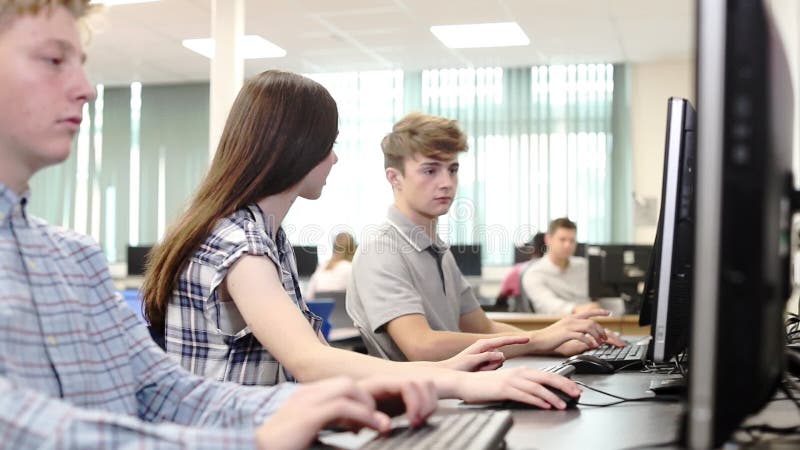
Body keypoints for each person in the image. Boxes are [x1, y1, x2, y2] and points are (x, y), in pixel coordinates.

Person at [0, 2, 439, 448]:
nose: (87, 89)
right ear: (298, 148)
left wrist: (322, 402)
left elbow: (164, 392)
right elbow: (20, 425)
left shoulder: (75, 259)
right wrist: (261, 436)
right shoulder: (238, 240)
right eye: (54, 60)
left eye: (80, 64)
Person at [142, 70, 581, 410]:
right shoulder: (241, 245)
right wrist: (459, 380)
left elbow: (306, 366)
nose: (335, 157)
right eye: (328, 144)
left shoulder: (268, 238)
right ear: (295, 148)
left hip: (266, 424)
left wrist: (446, 371)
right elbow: (310, 362)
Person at [346, 112, 626, 363]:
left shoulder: (438, 251)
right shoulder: (381, 250)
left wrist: (553, 343)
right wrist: (540, 340)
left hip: (460, 392)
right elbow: (422, 346)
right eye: (430, 170)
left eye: (452, 169)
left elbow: (485, 328)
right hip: (421, 409)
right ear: (394, 178)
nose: (446, 182)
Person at [521, 218, 606, 315]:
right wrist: (577, 309)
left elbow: (605, 296)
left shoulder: (584, 266)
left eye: (572, 240)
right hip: (555, 325)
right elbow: (548, 305)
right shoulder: (533, 274)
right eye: (562, 240)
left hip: (592, 322)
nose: (567, 245)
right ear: (548, 239)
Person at [496, 231, 545, 306]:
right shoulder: (558, 270)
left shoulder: (518, 271)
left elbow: (500, 299)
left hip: (524, 317)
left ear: (531, 249)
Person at [305, 231, 356, 299]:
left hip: (319, 308)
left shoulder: (323, 267)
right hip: (341, 308)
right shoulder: (351, 268)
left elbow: (308, 295)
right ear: (353, 248)